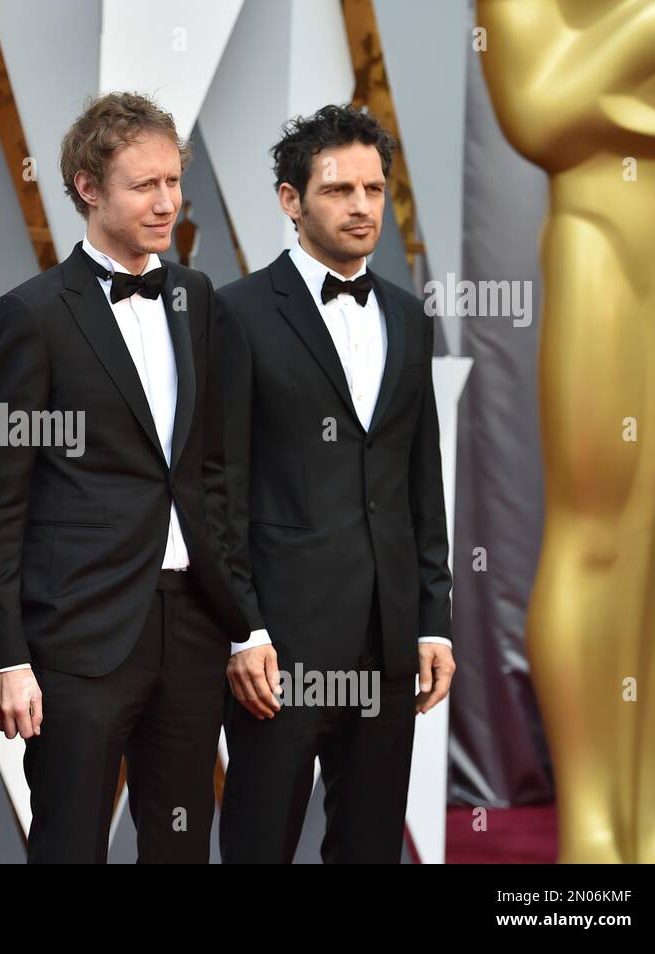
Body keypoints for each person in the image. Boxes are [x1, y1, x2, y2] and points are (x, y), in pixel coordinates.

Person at [0, 92, 247, 863]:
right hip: (77, 635)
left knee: (183, 839)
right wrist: (10, 656)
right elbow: (0, 499)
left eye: (174, 182)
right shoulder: (32, 316)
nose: (167, 203)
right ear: (90, 189)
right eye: (144, 186)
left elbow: (213, 472)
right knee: (71, 841)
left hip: (192, 626)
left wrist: (243, 617)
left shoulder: (194, 300)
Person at [216, 104, 455, 863]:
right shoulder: (236, 315)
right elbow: (217, 487)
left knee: (370, 847)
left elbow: (423, 480)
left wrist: (433, 618)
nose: (360, 206)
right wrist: (242, 628)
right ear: (292, 201)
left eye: (374, 189)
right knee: (261, 841)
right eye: (337, 190)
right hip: (280, 649)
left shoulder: (410, 319)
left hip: (388, 641)